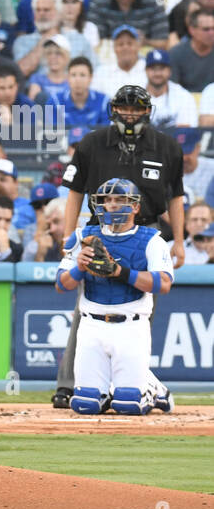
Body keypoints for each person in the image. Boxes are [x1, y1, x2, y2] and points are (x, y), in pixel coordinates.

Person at [50, 85, 185, 407]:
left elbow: (176, 196)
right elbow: (75, 191)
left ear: (147, 111)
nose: (130, 114)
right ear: (114, 109)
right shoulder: (92, 143)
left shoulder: (166, 146)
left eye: (137, 108)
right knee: (89, 306)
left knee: (140, 310)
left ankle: (139, 384)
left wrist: (178, 241)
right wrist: (70, 236)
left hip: (147, 228)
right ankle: (70, 384)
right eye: (125, 107)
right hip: (98, 230)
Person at [56, 178, 174, 415]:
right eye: (106, 200)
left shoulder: (152, 240)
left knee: (128, 404)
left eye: (120, 200)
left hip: (131, 326)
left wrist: (120, 272)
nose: (112, 205)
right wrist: (80, 266)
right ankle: (111, 387)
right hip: (91, 324)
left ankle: (153, 388)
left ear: (135, 206)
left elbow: (163, 283)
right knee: (85, 404)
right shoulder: (82, 237)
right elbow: (61, 284)